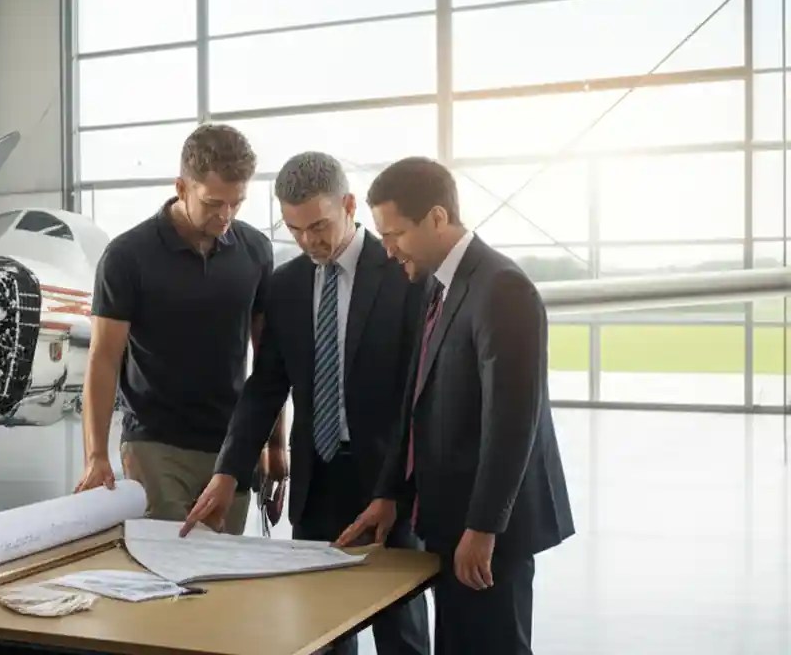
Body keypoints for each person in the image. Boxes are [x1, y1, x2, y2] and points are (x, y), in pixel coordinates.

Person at [180, 152, 431, 655]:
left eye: (319, 225)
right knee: (321, 631)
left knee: (400, 634)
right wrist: (229, 470)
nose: (309, 241)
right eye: (295, 230)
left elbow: (419, 395)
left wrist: (397, 489)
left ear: (349, 205)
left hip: (388, 485)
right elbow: (266, 385)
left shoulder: (404, 273)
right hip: (317, 486)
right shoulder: (285, 284)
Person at [337, 156, 575, 655]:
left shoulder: (501, 288)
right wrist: (390, 494)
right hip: (450, 521)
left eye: (396, 233)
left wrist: (483, 526)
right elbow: (417, 399)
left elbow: (512, 421)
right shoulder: (438, 284)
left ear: (438, 218)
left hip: (488, 530)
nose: (387, 247)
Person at [73, 123, 288, 535]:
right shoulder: (126, 257)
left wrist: (274, 443)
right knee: (167, 570)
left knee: (220, 576)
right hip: (154, 442)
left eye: (236, 203)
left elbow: (269, 360)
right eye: (212, 203)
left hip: (231, 445)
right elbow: (102, 360)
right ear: (181, 186)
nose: (225, 216)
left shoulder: (256, 251)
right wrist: (95, 454)